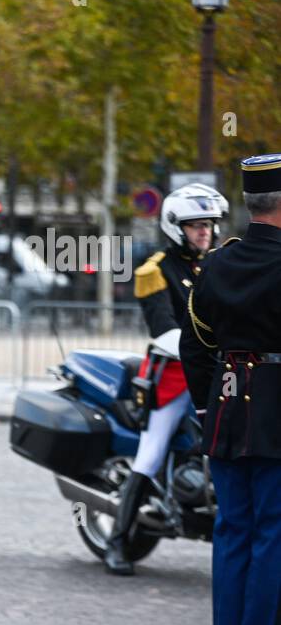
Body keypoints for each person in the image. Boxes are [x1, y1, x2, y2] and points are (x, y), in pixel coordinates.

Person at [181, 153, 281, 625]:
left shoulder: (217, 263)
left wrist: (206, 406)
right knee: (273, 539)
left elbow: (194, 340)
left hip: (227, 411)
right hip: (275, 414)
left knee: (232, 536)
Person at [105, 183, 227, 575]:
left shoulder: (221, 264)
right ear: (176, 227)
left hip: (217, 370)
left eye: (208, 225)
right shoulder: (154, 270)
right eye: (195, 226)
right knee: (152, 451)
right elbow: (165, 331)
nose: (204, 232)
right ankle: (118, 542)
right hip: (173, 375)